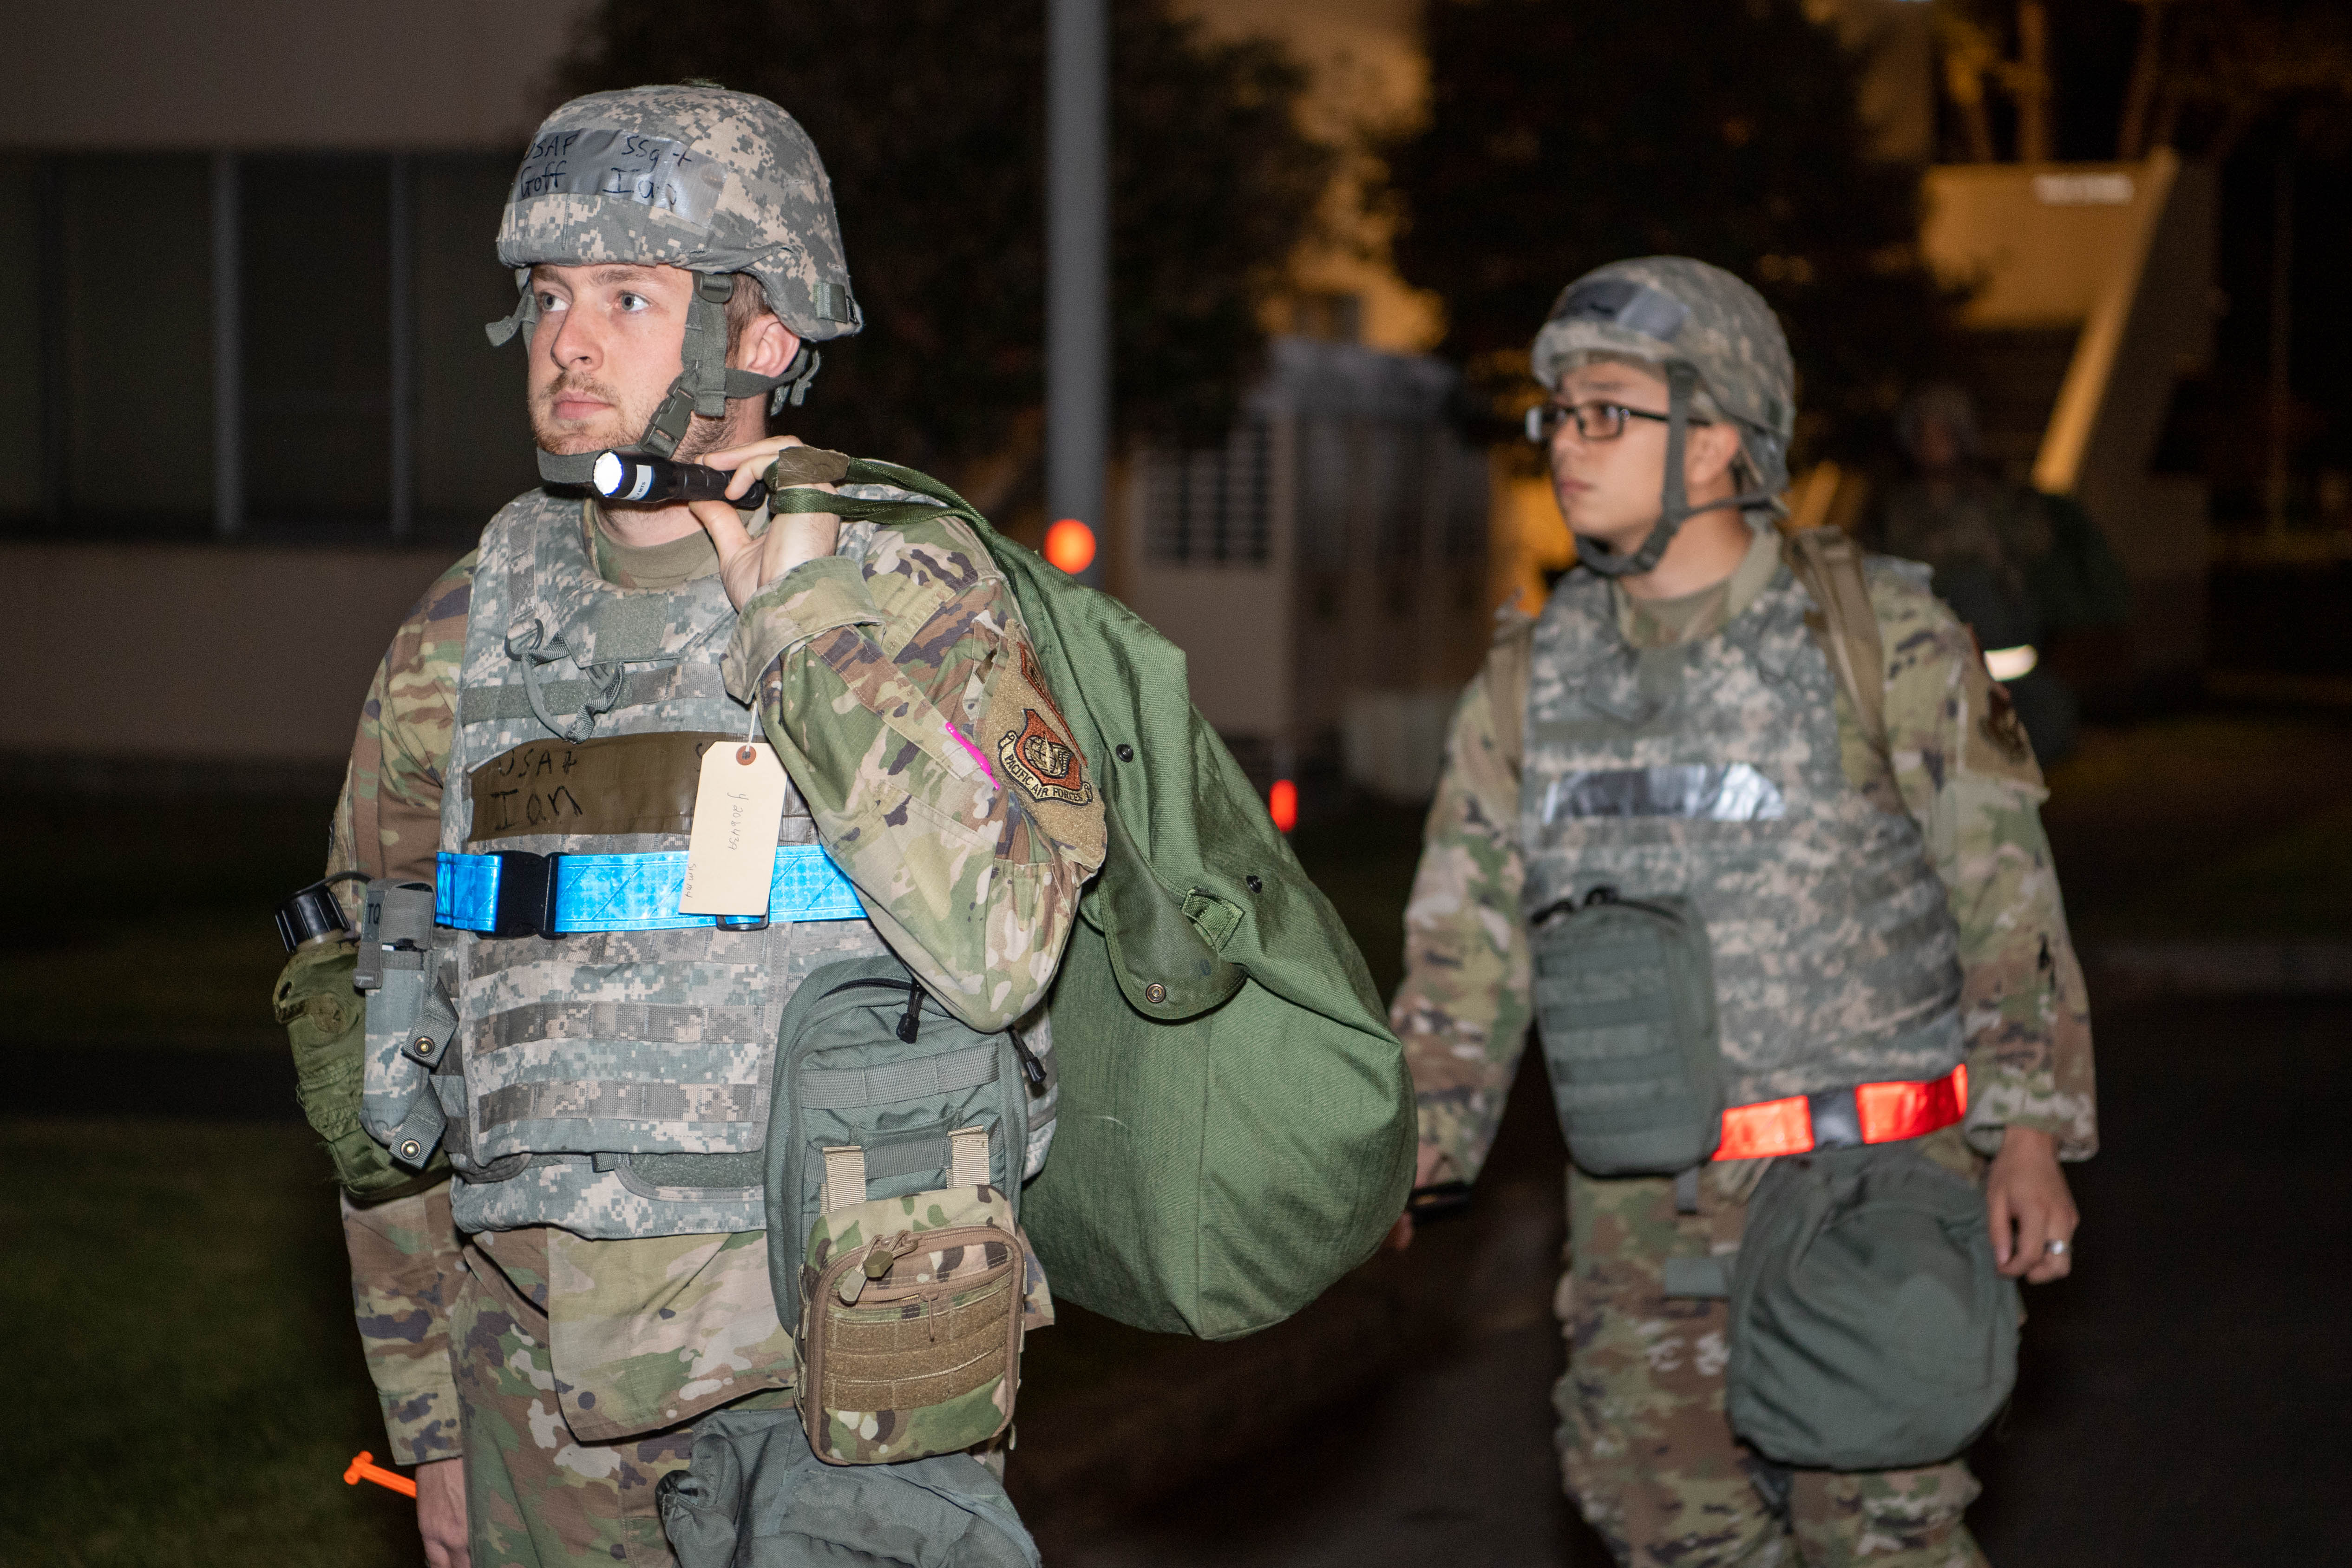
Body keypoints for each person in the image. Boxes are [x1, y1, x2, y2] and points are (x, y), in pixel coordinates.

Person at [327, 85, 1103, 1568]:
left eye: (628, 294)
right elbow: (376, 1042)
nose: (566, 340)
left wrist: (805, 638)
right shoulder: (465, 634)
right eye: (550, 294)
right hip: (538, 1388)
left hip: (841, 1365)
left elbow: (1006, 950)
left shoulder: (905, 592)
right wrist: (427, 1416)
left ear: (760, 332)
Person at [1388, 258, 2095, 1566]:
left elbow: (2003, 896)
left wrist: (2028, 1132)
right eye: (1556, 415)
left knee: (1882, 1543)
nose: (1564, 444)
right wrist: (1404, 1153)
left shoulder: (1876, 632)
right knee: (1672, 1541)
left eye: (1606, 411)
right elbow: (1460, 963)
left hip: (1860, 1199)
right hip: (1634, 1227)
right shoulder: (1525, 681)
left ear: (1713, 438)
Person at [1862, 383, 2132, 765]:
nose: (1933, 442)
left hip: (1999, 670)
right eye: (1924, 433)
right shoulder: (1896, 510)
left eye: (1943, 432)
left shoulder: (1995, 502)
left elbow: (2037, 555)